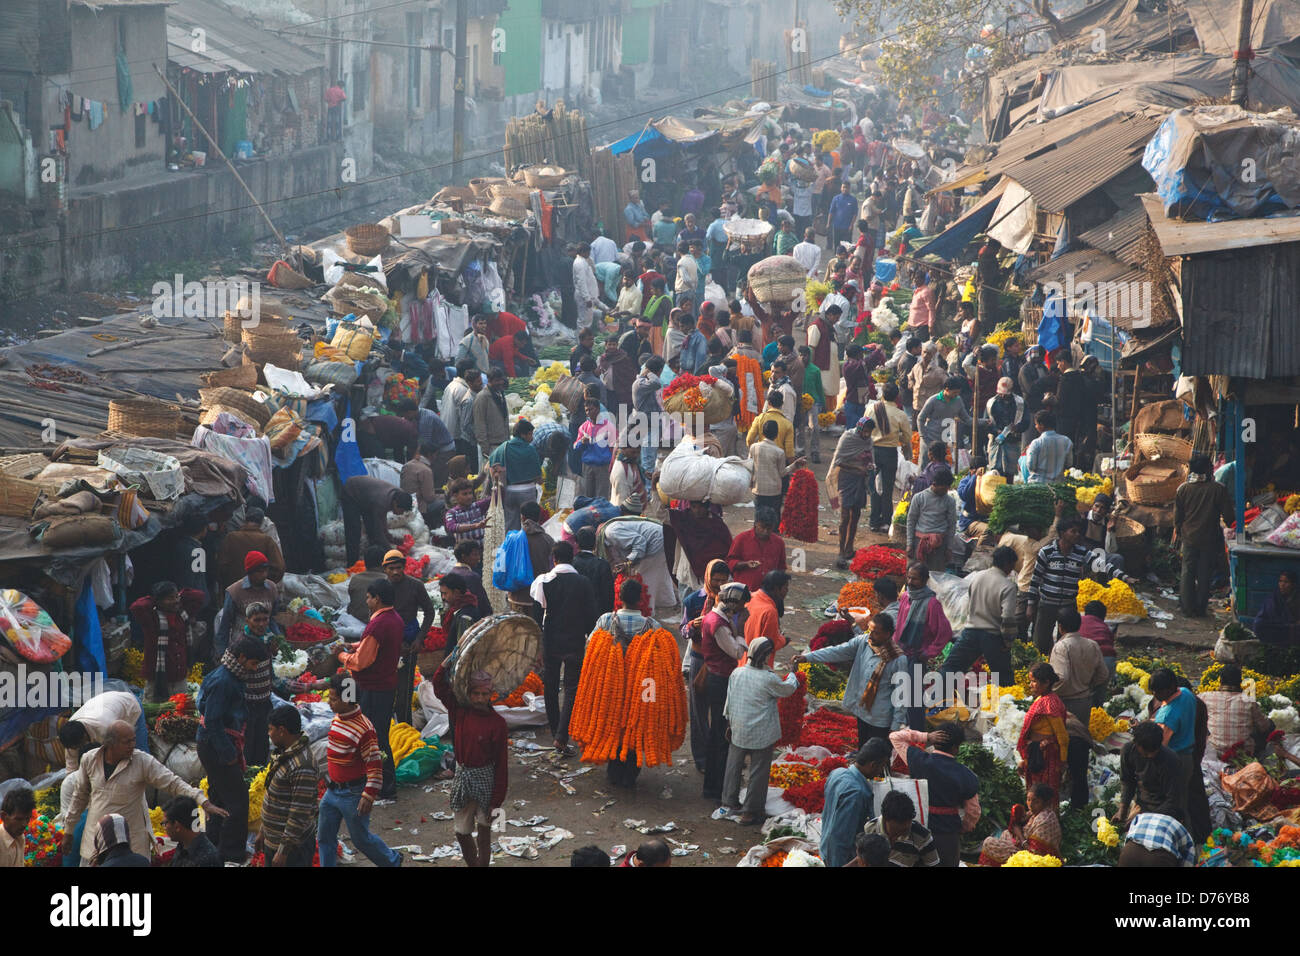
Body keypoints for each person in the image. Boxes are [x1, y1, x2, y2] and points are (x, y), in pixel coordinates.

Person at [63, 719, 222, 864]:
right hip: (96, 838)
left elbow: (173, 783)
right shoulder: (89, 759)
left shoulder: (142, 761)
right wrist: (69, 830)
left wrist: (203, 801)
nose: (133, 745)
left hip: (130, 842)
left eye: (134, 740)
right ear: (111, 744)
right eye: (127, 742)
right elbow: (79, 797)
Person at [195, 635, 267, 861]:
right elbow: (213, 720)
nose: (255, 669)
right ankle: (232, 854)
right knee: (238, 801)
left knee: (219, 797)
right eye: (254, 664)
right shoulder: (223, 681)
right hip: (216, 746)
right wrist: (227, 754)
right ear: (242, 657)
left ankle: (214, 846)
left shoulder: (228, 675)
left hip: (216, 743)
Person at [318, 672, 401, 867]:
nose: (330, 703)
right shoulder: (338, 718)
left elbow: (374, 764)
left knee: (361, 839)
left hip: (352, 794)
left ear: (347, 699)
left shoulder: (365, 729)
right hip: (333, 791)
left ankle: (393, 861)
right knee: (324, 837)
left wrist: (369, 795)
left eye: (333, 699)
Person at [794, 611, 908, 745]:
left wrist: (895, 726)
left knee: (878, 758)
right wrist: (808, 657)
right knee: (863, 751)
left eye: (876, 633)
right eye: (870, 630)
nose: (871, 635)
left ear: (888, 634)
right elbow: (837, 651)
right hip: (862, 712)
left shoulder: (898, 659)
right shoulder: (864, 642)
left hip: (880, 719)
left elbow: (901, 696)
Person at [337, 579, 404, 799]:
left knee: (373, 737)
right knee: (378, 735)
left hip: (374, 688)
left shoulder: (378, 624)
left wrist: (342, 656)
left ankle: (384, 785)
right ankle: (380, 782)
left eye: (368, 597)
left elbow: (361, 662)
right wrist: (355, 646)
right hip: (386, 685)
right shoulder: (394, 619)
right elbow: (375, 646)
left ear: (377, 599)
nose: (366, 600)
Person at [721, 636, 798, 824]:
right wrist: (793, 673)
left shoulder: (737, 673)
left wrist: (729, 723)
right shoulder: (768, 678)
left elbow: (729, 700)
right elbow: (788, 689)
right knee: (758, 771)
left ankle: (729, 803)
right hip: (761, 732)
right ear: (766, 655)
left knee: (733, 765)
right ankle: (749, 811)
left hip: (739, 726)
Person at [531, 541, 598, 756]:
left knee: (550, 686)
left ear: (554, 559)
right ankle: (562, 735)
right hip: (575, 642)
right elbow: (591, 616)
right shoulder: (583, 583)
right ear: (573, 557)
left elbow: (535, 618)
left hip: (550, 642)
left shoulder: (542, 582)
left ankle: (555, 732)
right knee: (571, 688)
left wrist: (537, 646)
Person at [1028, 516, 1129, 654]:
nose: (1077, 535)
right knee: (1041, 642)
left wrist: (1123, 576)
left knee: (1066, 642)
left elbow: (1102, 564)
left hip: (1068, 605)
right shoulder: (1046, 552)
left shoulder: (1081, 552)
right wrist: (1030, 604)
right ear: (1063, 533)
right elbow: (1035, 579)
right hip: (1047, 605)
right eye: (1073, 531)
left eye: (1078, 532)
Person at [888, 721, 980, 866]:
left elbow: (895, 736)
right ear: (956, 748)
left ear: (935, 741)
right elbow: (973, 811)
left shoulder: (919, 760)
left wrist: (926, 736)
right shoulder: (966, 775)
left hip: (918, 829)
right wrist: (963, 827)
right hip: (947, 834)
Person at [701, 582, 750, 802]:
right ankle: (715, 787)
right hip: (719, 680)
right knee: (720, 735)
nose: (742, 608)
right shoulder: (718, 624)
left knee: (720, 733)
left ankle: (717, 784)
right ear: (732, 601)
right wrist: (740, 629)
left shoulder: (720, 617)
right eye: (741, 604)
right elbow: (737, 651)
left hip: (719, 677)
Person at [941, 546, 1018, 687]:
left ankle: (938, 701)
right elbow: (1008, 618)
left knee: (951, 668)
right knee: (1003, 679)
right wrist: (1008, 642)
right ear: (1008, 564)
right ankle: (1006, 706)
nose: (1012, 569)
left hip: (970, 631)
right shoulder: (1008, 586)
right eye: (1013, 565)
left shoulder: (978, 577)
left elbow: (970, 602)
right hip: (993, 636)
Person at [1148, 667, 1209, 840]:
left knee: (1175, 806)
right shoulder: (1186, 694)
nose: (1155, 694)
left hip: (1175, 761)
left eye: (1158, 691)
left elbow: (1158, 746)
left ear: (1168, 688)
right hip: (1189, 756)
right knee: (1183, 801)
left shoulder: (1168, 716)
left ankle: (1183, 843)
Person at [1173, 454, 1234, 618]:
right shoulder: (1218, 489)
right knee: (1204, 573)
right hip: (1209, 537)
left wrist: (1180, 531)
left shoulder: (1183, 489)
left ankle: (1187, 607)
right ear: (1208, 469)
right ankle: (1200, 608)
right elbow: (1229, 516)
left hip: (1189, 537)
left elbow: (1177, 518)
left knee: (1187, 572)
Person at [259, 704, 319, 867]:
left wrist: (283, 851)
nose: (269, 734)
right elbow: (274, 797)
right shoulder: (284, 753)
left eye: (271, 729)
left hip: (292, 849)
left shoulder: (302, 765)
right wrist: (263, 830)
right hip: (275, 841)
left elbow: (298, 813)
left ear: (282, 731)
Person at [382, 549, 435, 725]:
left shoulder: (416, 586)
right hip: (387, 641)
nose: (396, 572)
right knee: (386, 687)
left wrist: (419, 638)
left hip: (409, 640)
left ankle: (405, 726)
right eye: (391, 568)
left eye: (398, 567)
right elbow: (374, 616)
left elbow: (429, 611)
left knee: (404, 689)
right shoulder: (381, 588)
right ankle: (387, 727)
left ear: (404, 567)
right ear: (385, 570)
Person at [818, 739, 891, 866]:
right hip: (840, 856)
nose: (881, 771)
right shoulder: (856, 794)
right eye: (882, 766)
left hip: (825, 847)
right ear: (873, 765)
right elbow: (842, 836)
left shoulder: (837, 773)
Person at [130, 580, 205, 701]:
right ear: (158, 601)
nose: (175, 601)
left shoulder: (182, 614)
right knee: (155, 711)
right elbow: (137, 606)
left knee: (179, 711)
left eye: (176, 597)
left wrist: (179, 595)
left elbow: (199, 596)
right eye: (169, 598)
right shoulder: (152, 618)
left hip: (179, 675)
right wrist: (154, 600)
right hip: (157, 678)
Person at [1116, 719, 1187, 825]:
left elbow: (1173, 800)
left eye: (1154, 751)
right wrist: (1123, 809)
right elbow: (1127, 781)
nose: (1150, 756)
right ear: (1136, 744)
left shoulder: (1171, 760)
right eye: (1146, 752)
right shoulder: (1128, 751)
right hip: (1142, 805)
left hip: (1166, 811)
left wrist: (1145, 819)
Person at [826, 416, 875, 569]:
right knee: (845, 516)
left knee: (856, 514)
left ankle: (849, 548)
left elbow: (870, 458)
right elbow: (839, 461)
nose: (867, 434)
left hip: (860, 481)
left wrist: (869, 466)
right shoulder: (847, 437)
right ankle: (840, 551)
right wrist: (856, 468)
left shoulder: (869, 441)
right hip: (846, 480)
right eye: (865, 431)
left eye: (869, 432)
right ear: (860, 429)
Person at [1048, 607, 1110, 726]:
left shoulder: (1062, 646)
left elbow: (1062, 677)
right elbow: (1103, 674)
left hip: (1064, 703)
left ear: (1060, 627)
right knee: (1079, 738)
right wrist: (1087, 686)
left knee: (1062, 739)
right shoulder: (1092, 644)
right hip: (1085, 702)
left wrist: (1048, 691)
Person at [1017, 662, 1069, 800]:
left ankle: (1047, 820)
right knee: (1035, 793)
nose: (1030, 685)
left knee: (1044, 794)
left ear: (1046, 682)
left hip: (1046, 755)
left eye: (1034, 681)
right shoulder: (1041, 699)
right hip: (1036, 752)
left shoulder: (1050, 702)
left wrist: (1063, 761)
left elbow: (1062, 735)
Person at [978, 783, 1062, 866]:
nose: (1030, 805)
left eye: (1036, 802)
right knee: (1006, 834)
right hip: (1024, 848)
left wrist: (1020, 836)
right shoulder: (1036, 812)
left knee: (989, 842)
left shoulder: (1045, 819)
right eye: (1028, 800)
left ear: (1046, 803)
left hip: (1034, 860)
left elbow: (1034, 853)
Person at [864, 384, 911, 532]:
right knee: (888, 487)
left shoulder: (872, 408)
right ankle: (885, 522)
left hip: (873, 451)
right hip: (890, 452)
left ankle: (873, 521)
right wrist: (896, 436)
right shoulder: (900, 414)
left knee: (873, 487)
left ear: (882, 395)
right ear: (897, 397)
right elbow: (907, 437)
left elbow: (864, 427)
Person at [1201, 663, 1273, 758]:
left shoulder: (1206, 697)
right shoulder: (1248, 701)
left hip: (1214, 753)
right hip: (1243, 754)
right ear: (1240, 682)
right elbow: (1265, 727)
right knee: (1268, 727)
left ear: (1221, 680)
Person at [340, 475, 412, 566]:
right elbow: (379, 534)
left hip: (367, 497)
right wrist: (394, 554)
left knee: (372, 531)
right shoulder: (381, 501)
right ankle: (352, 565)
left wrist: (391, 539)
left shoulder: (399, 495)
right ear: (395, 503)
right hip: (351, 491)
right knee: (354, 532)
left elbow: (382, 523)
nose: (401, 513)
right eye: (401, 510)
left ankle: (374, 563)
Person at [668, 499, 733, 593]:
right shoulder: (683, 519)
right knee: (686, 603)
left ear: (707, 507)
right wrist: (655, 490)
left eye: (701, 507)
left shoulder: (717, 524)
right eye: (694, 507)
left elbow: (726, 548)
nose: (697, 510)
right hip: (687, 570)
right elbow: (661, 514)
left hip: (708, 573)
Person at [489, 419, 543, 531]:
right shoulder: (530, 450)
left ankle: (511, 545)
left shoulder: (502, 448)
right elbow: (538, 476)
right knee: (530, 525)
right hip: (527, 492)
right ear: (523, 435)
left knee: (510, 525)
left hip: (509, 492)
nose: (532, 437)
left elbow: (491, 463)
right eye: (530, 434)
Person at [863, 789, 941, 867]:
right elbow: (863, 859)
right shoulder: (871, 828)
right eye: (900, 823)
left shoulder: (922, 836)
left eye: (909, 822)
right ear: (886, 818)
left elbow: (933, 864)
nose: (906, 826)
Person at [215, 507, 285, 590]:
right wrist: (264, 581)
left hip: (234, 590)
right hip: (259, 591)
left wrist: (228, 583)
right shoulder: (267, 540)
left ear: (245, 520)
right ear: (261, 522)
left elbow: (221, 566)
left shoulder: (231, 537)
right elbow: (279, 567)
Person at [749, 418, 805, 518]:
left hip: (758, 489)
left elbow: (750, 466)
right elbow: (782, 473)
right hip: (774, 491)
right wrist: (795, 464)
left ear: (763, 432)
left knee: (759, 517)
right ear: (776, 435)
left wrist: (751, 484)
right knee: (773, 518)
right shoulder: (779, 452)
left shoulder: (754, 447)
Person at [906, 466, 957, 571]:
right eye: (944, 488)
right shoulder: (919, 497)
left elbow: (952, 525)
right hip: (919, 542)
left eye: (948, 488)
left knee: (936, 578)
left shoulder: (950, 501)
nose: (946, 491)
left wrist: (949, 548)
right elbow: (911, 521)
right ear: (934, 484)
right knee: (915, 575)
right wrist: (909, 544)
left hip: (939, 545)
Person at [1056, 355, 1102, 469]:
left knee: (1075, 447)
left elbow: (1062, 400)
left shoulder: (1069, 379)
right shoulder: (1083, 379)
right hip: (1083, 418)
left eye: (1058, 363)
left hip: (1073, 419)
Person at [726, 507, 786, 592]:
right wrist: (745, 564)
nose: (765, 531)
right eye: (762, 527)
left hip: (769, 592)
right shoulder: (741, 539)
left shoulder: (779, 543)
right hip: (745, 592)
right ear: (755, 524)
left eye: (769, 529)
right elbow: (729, 562)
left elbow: (781, 567)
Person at [917, 375, 971, 469]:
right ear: (946, 389)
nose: (956, 395)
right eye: (954, 392)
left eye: (958, 393)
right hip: (929, 439)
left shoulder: (958, 401)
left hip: (943, 440)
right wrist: (923, 437)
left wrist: (984, 422)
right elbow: (920, 418)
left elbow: (967, 419)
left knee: (939, 467)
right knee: (924, 466)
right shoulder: (933, 400)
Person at [575, 394, 617, 500]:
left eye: (591, 409)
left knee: (601, 495)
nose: (589, 413)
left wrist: (612, 464)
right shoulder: (583, 427)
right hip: (587, 465)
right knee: (588, 494)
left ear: (598, 409)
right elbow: (576, 446)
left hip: (603, 466)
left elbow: (614, 447)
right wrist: (581, 442)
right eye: (586, 410)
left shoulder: (609, 426)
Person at [1118, 812, 1197, 867]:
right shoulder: (1179, 826)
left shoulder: (1142, 816)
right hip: (1159, 859)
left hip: (1130, 853)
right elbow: (1188, 859)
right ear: (1181, 821)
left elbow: (1128, 839)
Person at [163, 795, 220, 867]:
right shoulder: (183, 846)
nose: (164, 828)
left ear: (177, 826)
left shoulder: (207, 858)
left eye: (165, 823)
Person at [1021, 410, 1073, 484]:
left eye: (1036, 424)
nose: (1035, 427)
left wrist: (1027, 451)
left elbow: (1031, 466)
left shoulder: (1036, 443)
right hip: (1058, 485)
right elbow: (1069, 464)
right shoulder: (1067, 441)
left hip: (1038, 485)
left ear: (1041, 425)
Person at [573, 526, 615, 616]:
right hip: (598, 615)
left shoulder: (571, 563)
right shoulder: (602, 564)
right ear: (595, 544)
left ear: (576, 544)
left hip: (575, 615)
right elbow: (608, 595)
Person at [472, 367, 511, 463]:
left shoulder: (500, 393)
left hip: (503, 443)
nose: (500, 382)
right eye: (497, 380)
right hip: (491, 446)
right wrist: (485, 449)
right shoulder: (482, 397)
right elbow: (479, 425)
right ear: (489, 380)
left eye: (501, 380)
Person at [744, 391, 795, 462]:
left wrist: (755, 451)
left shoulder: (759, 418)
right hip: (778, 460)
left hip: (760, 457)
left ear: (769, 403)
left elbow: (749, 440)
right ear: (782, 404)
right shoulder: (788, 424)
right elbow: (789, 452)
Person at [1254, 569, 1300, 645]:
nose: (1282, 584)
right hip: (1277, 627)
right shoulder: (1273, 598)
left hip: (1291, 629)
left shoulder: (1297, 598)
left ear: (1293, 584)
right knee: (1259, 624)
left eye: (1286, 582)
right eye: (1280, 581)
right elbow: (1262, 617)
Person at [0, 786, 35, 867]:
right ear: (4, 816)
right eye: (18, 819)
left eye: (27, 819)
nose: (24, 824)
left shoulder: (20, 838)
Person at [573, 242, 602, 331]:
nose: (589, 254)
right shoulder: (580, 263)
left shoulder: (584, 261)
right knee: (583, 322)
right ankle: (581, 342)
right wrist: (587, 298)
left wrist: (589, 259)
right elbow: (581, 282)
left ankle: (584, 341)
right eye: (588, 252)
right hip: (584, 296)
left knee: (587, 321)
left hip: (588, 295)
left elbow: (594, 269)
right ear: (582, 252)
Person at [828, 180, 859, 251]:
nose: (845, 189)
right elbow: (831, 211)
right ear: (841, 188)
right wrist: (828, 223)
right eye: (844, 187)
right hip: (837, 225)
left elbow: (855, 214)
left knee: (847, 245)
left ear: (849, 189)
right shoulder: (836, 198)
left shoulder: (853, 200)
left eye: (847, 188)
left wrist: (851, 225)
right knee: (837, 244)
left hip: (847, 227)